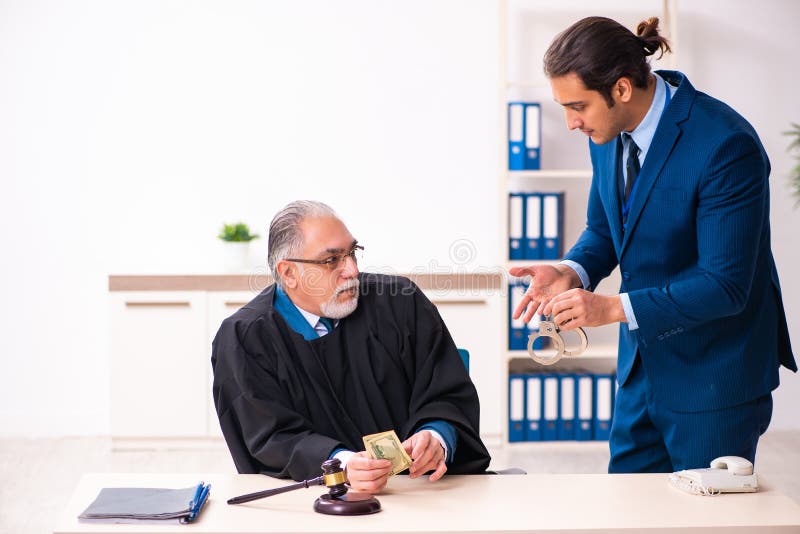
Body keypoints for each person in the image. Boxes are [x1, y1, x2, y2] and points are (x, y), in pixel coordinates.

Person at [511, 16, 796, 473]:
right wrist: (571, 270)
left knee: (705, 521)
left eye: (578, 106)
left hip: (714, 379)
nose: (570, 122)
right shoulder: (605, 132)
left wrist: (610, 309)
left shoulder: (726, 145)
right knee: (627, 513)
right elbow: (605, 230)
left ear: (622, 89)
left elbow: (725, 285)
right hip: (641, 374)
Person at [212, 200, 490, 493]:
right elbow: (270, 436)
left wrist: (437, 436)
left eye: (352, 253)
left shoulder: (401, 303)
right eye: (332, 260)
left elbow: (447, 393)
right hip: (316, 504)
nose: (352, 270)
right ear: (289, 273)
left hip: (422, 491)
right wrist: (339, 466)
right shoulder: (244, 339)